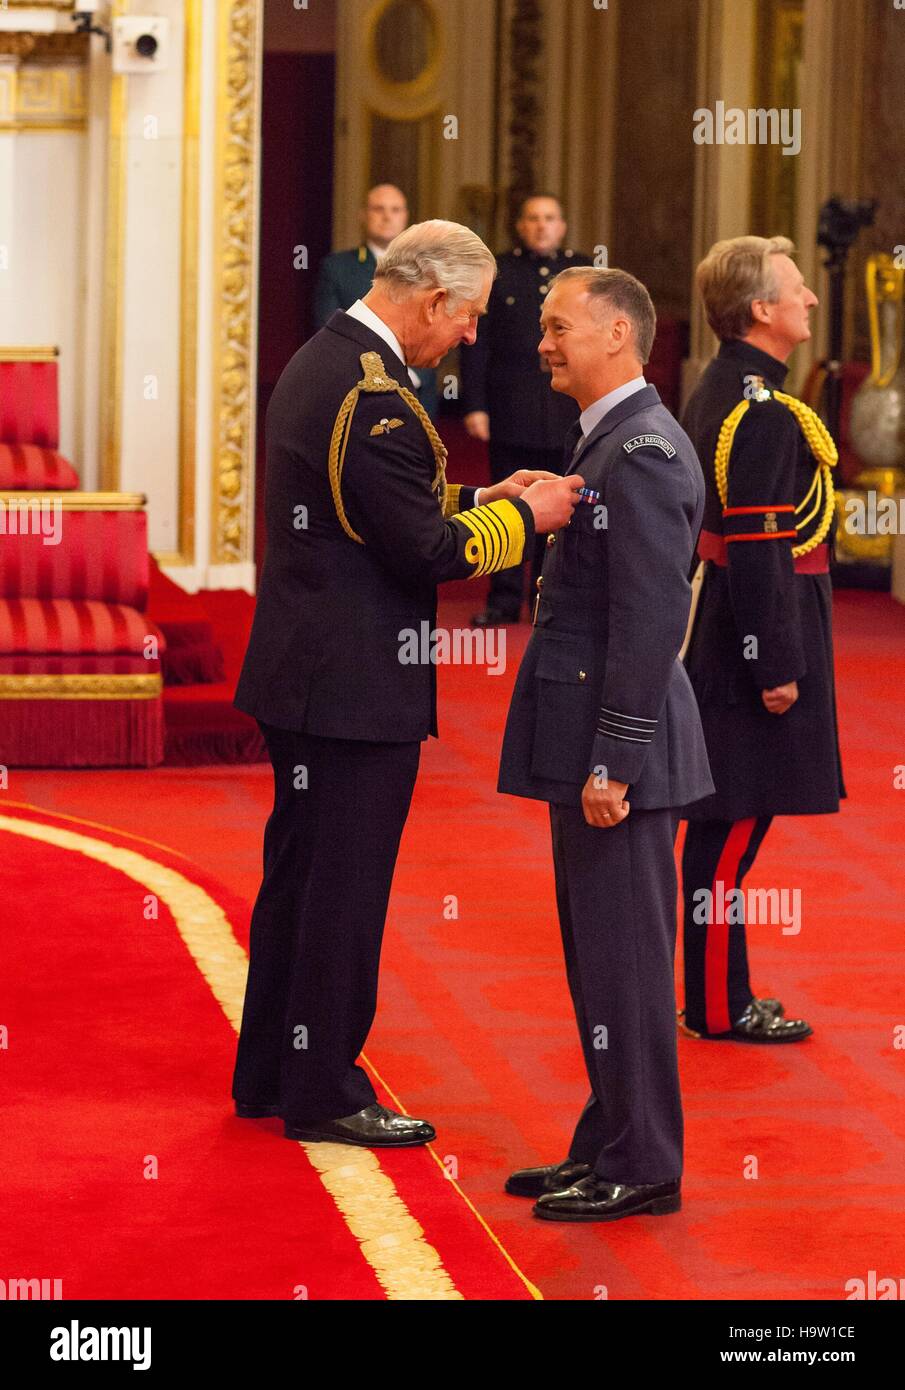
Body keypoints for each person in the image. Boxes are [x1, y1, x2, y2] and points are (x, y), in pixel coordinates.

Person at [232, 220, 584, 1148]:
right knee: (342, 894)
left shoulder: (329, 359)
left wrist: (487, 497)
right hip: (351, 688)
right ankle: (325, 1090)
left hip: (307, 672)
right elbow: (425, 550)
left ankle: (271, 1070)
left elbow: (377, 507)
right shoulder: (376, 396)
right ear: (432, 300)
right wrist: (529, 518)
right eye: (467, 317)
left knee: (299, 880)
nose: (470, 335)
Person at [498, 267, 713, 1222]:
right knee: (598, 959)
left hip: (617, 750)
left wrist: (614, 760)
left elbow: (650, 620)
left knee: (624, 964)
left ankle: (644, 1161)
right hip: (585, 734)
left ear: (618, 333)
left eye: (559, 327)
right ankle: (608, 1139)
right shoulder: (608, 439)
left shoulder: (644, 452)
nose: (542, 343)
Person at [679, 235, 844, 1043]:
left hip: (730, 619)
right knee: (730, 829)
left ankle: (721, 993)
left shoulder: (728, 388)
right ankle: (717, 1006)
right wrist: (775, 663)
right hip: (751, 631)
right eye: (795, 288)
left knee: (726, 829)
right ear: (759, 310)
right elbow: (755, 545)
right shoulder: (763, 410)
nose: (809, 298)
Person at [460, 194, 592, 624]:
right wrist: (474, 405)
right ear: (520, 226)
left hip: (566, 410)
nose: (541, 226)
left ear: (562, 226)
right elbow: (478, 345)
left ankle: (548, 599)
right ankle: (503, 599)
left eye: (549, 218)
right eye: (533, 218)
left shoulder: (581, 272)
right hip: (510, 408)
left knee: (560, 508)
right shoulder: (500, 271)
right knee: (507, 502)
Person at [314, 183, 438, 418]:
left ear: (406, 217)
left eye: (395, 209)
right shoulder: (337, 268)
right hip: (358, 394)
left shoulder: (428, 270)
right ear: (363, 215)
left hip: (416, 392)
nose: (387, 216)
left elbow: (439, 328)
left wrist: (411, 375)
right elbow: (328, 334)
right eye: (378, 209)